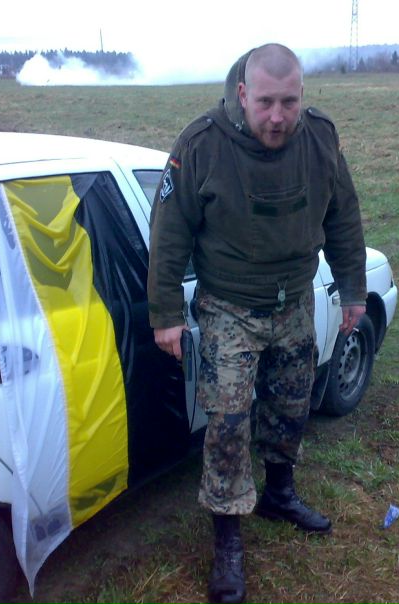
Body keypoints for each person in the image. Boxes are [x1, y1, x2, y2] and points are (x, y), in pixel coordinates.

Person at [147, 43, 367, 604]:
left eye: (288, 102)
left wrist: (352, 290)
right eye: (265, 102)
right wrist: (165, 314)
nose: (277, 116)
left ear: (302, 96)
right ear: (243, 94)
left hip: (294, 300)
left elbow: (343, 215)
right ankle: (227, 536)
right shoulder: (202, 144)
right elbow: (169, 233)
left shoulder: (320, 138)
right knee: (227, 420)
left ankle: (279, 494)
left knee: (292, 403)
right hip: (229, 306)